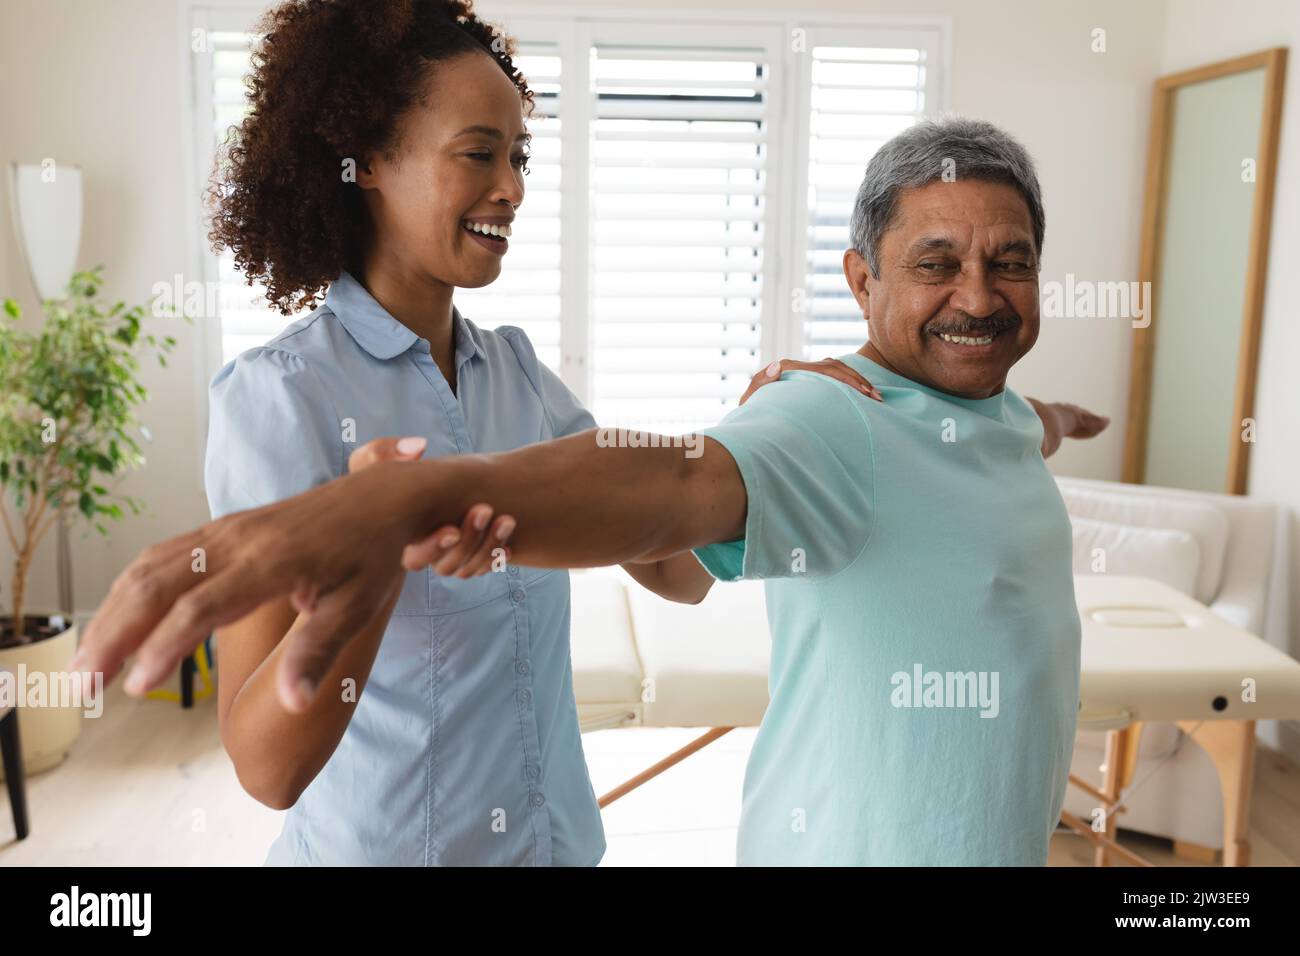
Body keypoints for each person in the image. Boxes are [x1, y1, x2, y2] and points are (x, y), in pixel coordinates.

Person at [71, 99, 1107, 863]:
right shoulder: (279, 394)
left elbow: (675, 549)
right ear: (367, 164)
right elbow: (266, 767)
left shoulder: (513, 367)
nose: (515, 182)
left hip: (553, 845)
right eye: (481, 150)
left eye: (521, 154)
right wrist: (382, 540)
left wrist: (748, 442)